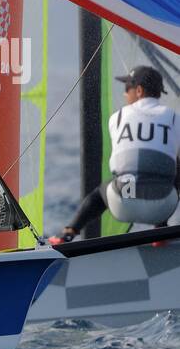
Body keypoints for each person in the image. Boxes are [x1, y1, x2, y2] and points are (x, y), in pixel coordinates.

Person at [51, 64, 180, 244]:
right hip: (162, 207)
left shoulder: (117, 117)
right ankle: (160, 232)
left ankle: (67, 234)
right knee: (173, 168)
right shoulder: (175, 118)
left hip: (123, 202)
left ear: (139, 90)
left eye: (128, 88)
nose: (125, 94)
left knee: (103, 189)